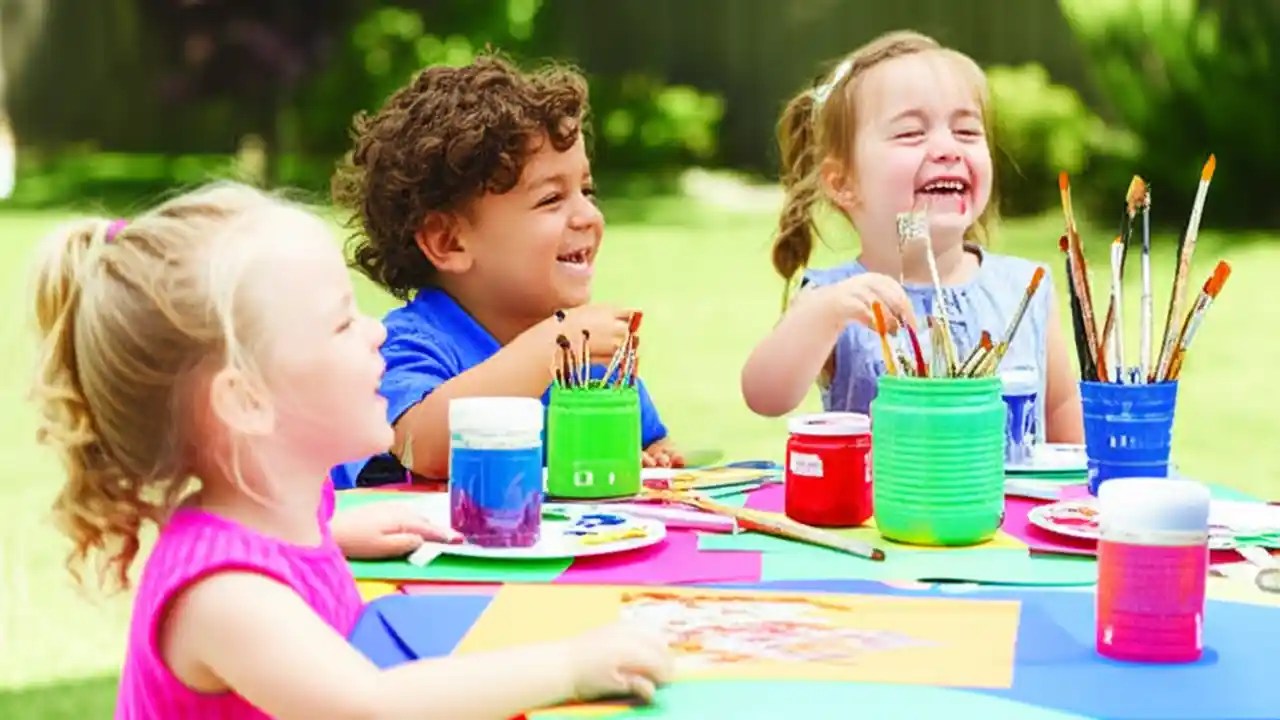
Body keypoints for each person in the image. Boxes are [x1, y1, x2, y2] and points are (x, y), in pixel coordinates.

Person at [29, 182, 672, 719]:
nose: (374, 335)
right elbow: (373, 706)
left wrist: (336, 531)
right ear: (245, 401)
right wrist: (571, 664)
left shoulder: (285, 517)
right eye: (340, 322)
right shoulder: (225, 596)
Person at [330, 53, 682, 488]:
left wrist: (656, 459)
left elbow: (654, 445)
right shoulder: (410, 346)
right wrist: (551, 347)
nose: (588, 215)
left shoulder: (588, 362)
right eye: (551, 199)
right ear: (448, 241)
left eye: (587, 190)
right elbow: (423, 448)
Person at [740, 30, 1083, 442]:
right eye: (910, 133)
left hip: (1010, 508)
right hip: (885, 507)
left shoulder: (1025, 288)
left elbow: (1060, 407)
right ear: (843, 182)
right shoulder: (834, 298)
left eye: (967, 132)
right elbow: (764, 396)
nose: (947, 149)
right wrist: (823, 314)